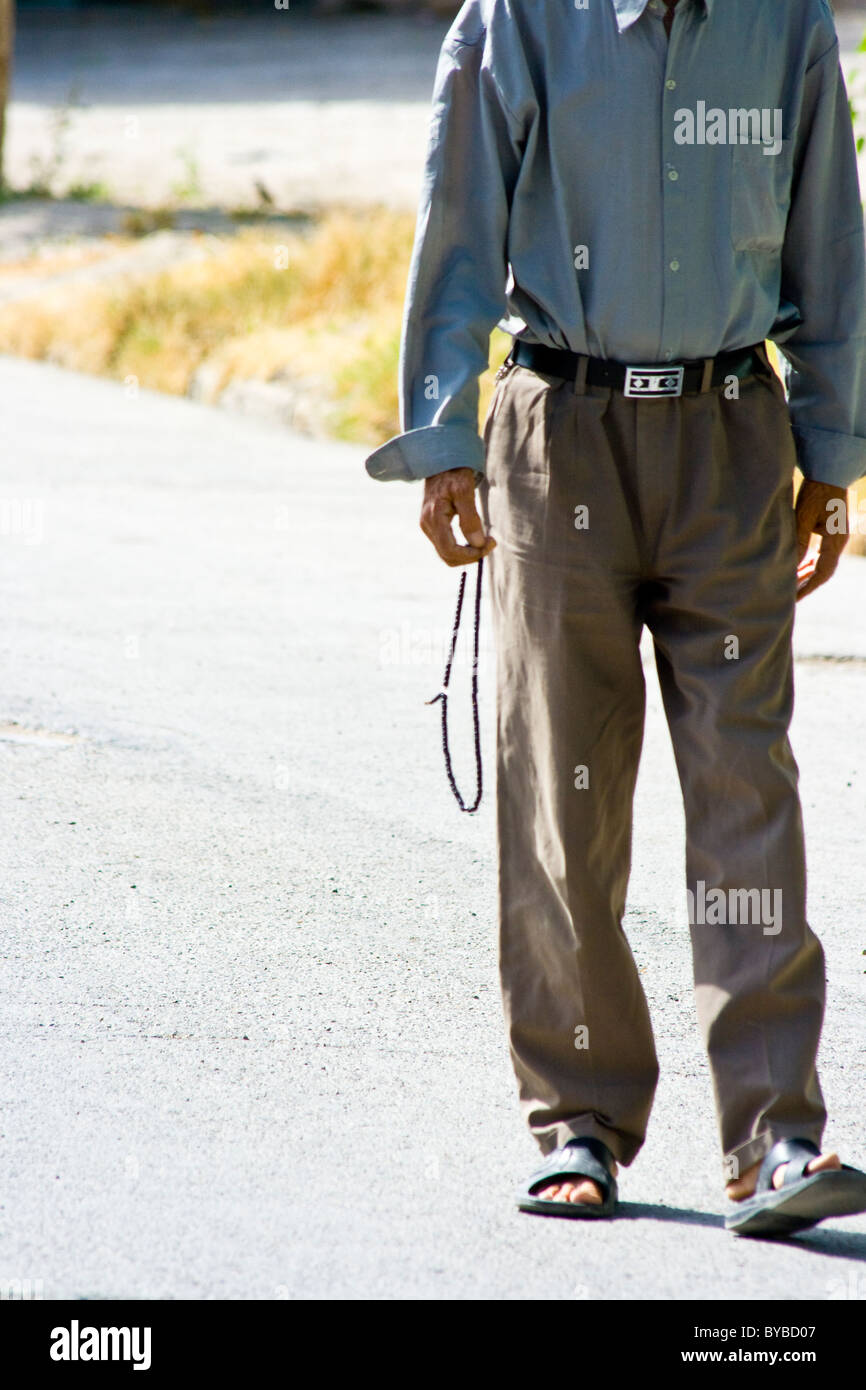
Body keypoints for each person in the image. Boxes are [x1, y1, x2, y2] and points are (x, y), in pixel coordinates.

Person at [364, 0, 866, 1236]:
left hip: (730, 439)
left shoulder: (782, 27)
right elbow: (458, 233)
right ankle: (576, 1119)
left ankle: (773, 1139)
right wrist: (441, 439)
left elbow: (829, 252)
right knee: (563, 792)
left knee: (747, 781)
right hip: (557, 438)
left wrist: (830, 455)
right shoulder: (517, 21)